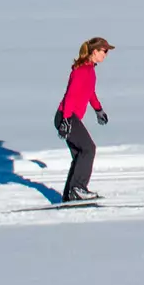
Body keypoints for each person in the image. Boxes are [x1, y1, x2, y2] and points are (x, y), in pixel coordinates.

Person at [54, 37, 113, 202]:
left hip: (67, 116)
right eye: (104, 51)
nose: (106, 55)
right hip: (66, 115)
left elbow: (90, 92)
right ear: (95, 51)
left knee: (80, 154)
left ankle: (69, 195)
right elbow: (71, 96)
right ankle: (78, 189)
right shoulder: (82, 70)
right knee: (88, 149)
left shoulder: (89, 70)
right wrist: (66, 120)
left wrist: (98, 109)